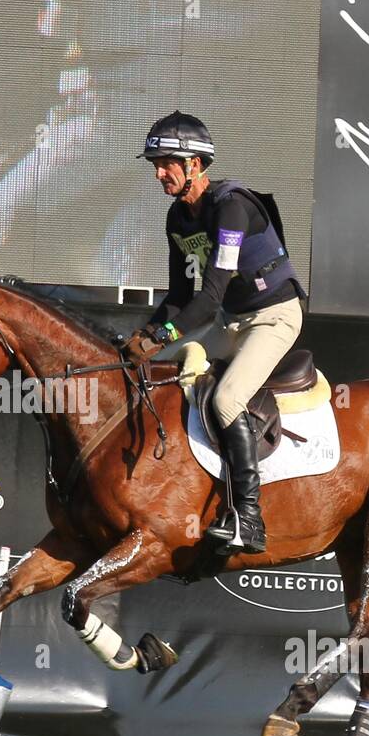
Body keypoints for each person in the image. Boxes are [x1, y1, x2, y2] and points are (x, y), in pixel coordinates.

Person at [122, 111, 305, 554]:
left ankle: (249, 519)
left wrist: (161, 336)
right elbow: (180, 295)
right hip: (234, 321)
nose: (160, 173)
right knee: (166, 371)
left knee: (226, 399)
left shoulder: (231, 207)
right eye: (156, 164)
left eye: (167, 163)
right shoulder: (177, 219)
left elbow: (211, 294)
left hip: (276, 316)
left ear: (196, 165)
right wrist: (142, 336)